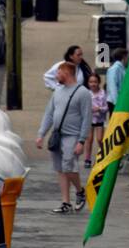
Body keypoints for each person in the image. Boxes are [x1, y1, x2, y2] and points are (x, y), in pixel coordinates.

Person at [36, 60, 91, 213]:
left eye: (58, 73)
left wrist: (82, 140)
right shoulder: (57, 92)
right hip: (57, 134)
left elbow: (87, 118)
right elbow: (49, 114)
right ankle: (65, 202)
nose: (56, 76)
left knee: (69, 166)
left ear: (66, 73)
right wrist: (41, 134)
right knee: (60, 169)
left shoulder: (82, 93)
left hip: (73, 135)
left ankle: (80, 191)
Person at [83, 73, 109, 168]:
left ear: (99, 82)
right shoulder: (87, 93)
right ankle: (87, 159)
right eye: (91, 82)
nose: (93, 84)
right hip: (89, 119)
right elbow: (83, 106)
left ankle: (102, 157)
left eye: (95, 82)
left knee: (99, 139)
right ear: (88, 83)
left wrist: (99, 109)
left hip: (100, 120)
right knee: (89, 140)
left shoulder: (103, 93)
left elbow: (106, 107)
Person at [105, 48, 128, 116]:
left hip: (120, 101)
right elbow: (113, 86)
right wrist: (117, 103)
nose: (128, 59)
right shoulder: (115, 68)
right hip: (115, 102)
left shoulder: (122, 68)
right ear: (124, 57)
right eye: (127, 57)